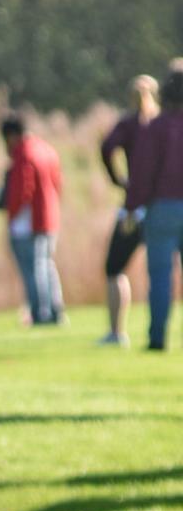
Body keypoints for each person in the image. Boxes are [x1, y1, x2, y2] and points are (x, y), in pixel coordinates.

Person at [98, 75, 160, 345]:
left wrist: (118, 180)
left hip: (135, 207)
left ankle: (117, 332)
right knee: (161, 271)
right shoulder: (165, 122)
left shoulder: (128, 124)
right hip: (163, 205)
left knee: (114, 268)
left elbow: (106, 147)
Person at [126, 67, 183, 351]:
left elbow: (143, 172)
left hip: (162, 208)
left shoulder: (158, 127)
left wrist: (131, 207)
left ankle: (157, 337)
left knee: (160, 275)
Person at [0, 114, 64, 325]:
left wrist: (10, 211)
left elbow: (22, 190)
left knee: (32, 269)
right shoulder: (46, 149)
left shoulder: (23, 154)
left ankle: (40, 312)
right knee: (46, 265)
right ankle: (55, 310)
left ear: (11, 136)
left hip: (29, 222)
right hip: (49, 218)